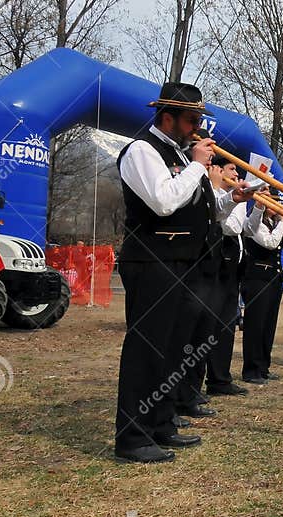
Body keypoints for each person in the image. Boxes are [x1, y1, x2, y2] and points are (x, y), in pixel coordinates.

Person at [114, 82, 254, 464]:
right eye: (192, 119)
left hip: (185, 265)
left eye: (199, 119)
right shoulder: (142, 150)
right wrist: (196, 165)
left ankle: (161, 423)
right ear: (167, 116)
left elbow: (198, 211)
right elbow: (162, 202)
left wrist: (228, 200)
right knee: (147, 349)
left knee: (173, 350)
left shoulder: (181, 155)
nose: (198, 127)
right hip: (153, 262)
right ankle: (132, 437)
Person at [204, 155, 249, 397]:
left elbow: (246, 230)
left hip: (232, 272)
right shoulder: (213, 194)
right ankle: (211, 380)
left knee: (226, 327)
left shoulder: (228, 198)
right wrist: (240, 199)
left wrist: (258, 206)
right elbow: (232, 227)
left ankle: (221, 378)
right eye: (232, 170)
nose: (237, 176)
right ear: (218, 170)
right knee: (212, 327)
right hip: (217, 270)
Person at [241, 195, 283, 383]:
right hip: (257, 279)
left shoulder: (274, 223)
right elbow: (270, 242)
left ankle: (263, 366)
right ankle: (251, 370)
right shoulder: (255, 224)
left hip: (272, 279)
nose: (277, 207)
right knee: (255, 325)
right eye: (273, 203)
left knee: (268, 325)